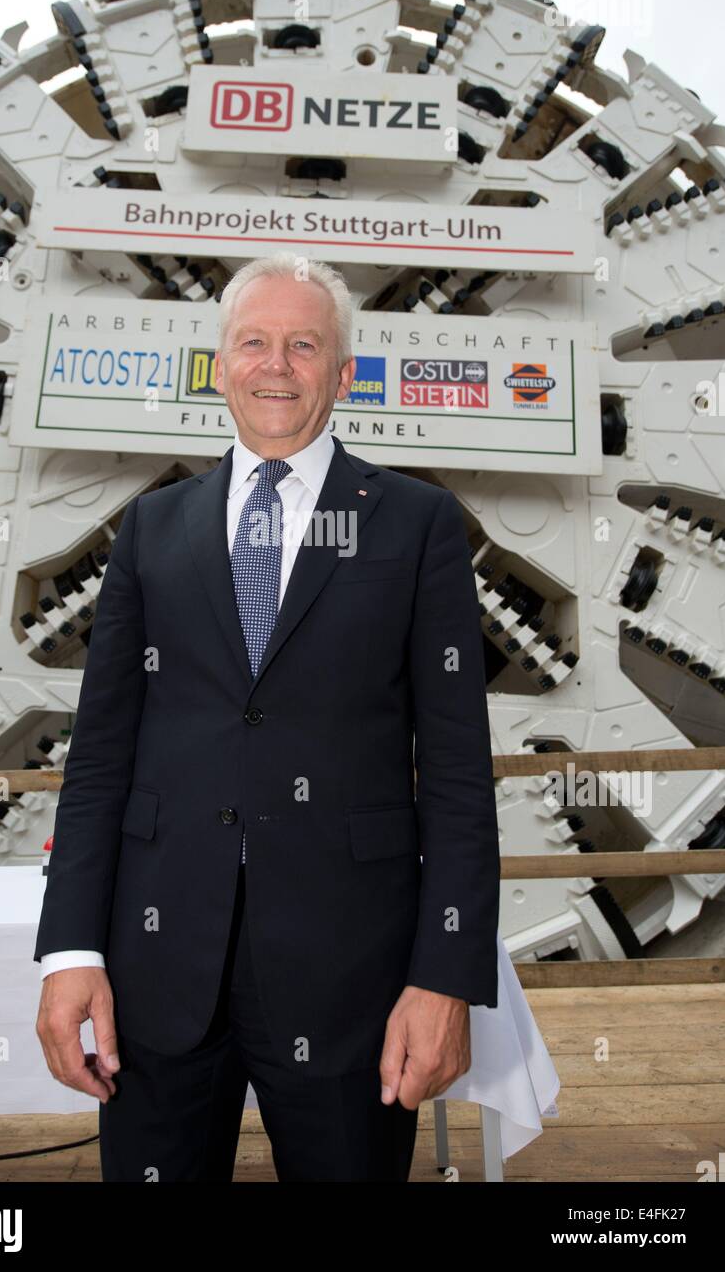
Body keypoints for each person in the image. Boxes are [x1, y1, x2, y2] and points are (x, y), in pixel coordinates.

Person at [34, 251, 500, 1182]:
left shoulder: (416, 525)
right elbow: (98, 761)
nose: (275, 365)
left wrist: (445, 976)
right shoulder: (152, 529)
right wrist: (70, 951)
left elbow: (455, 774)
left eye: (302, 344)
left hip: (352, 984)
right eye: (253, 342)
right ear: (219, 365)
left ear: (343, 373)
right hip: (155, 975)